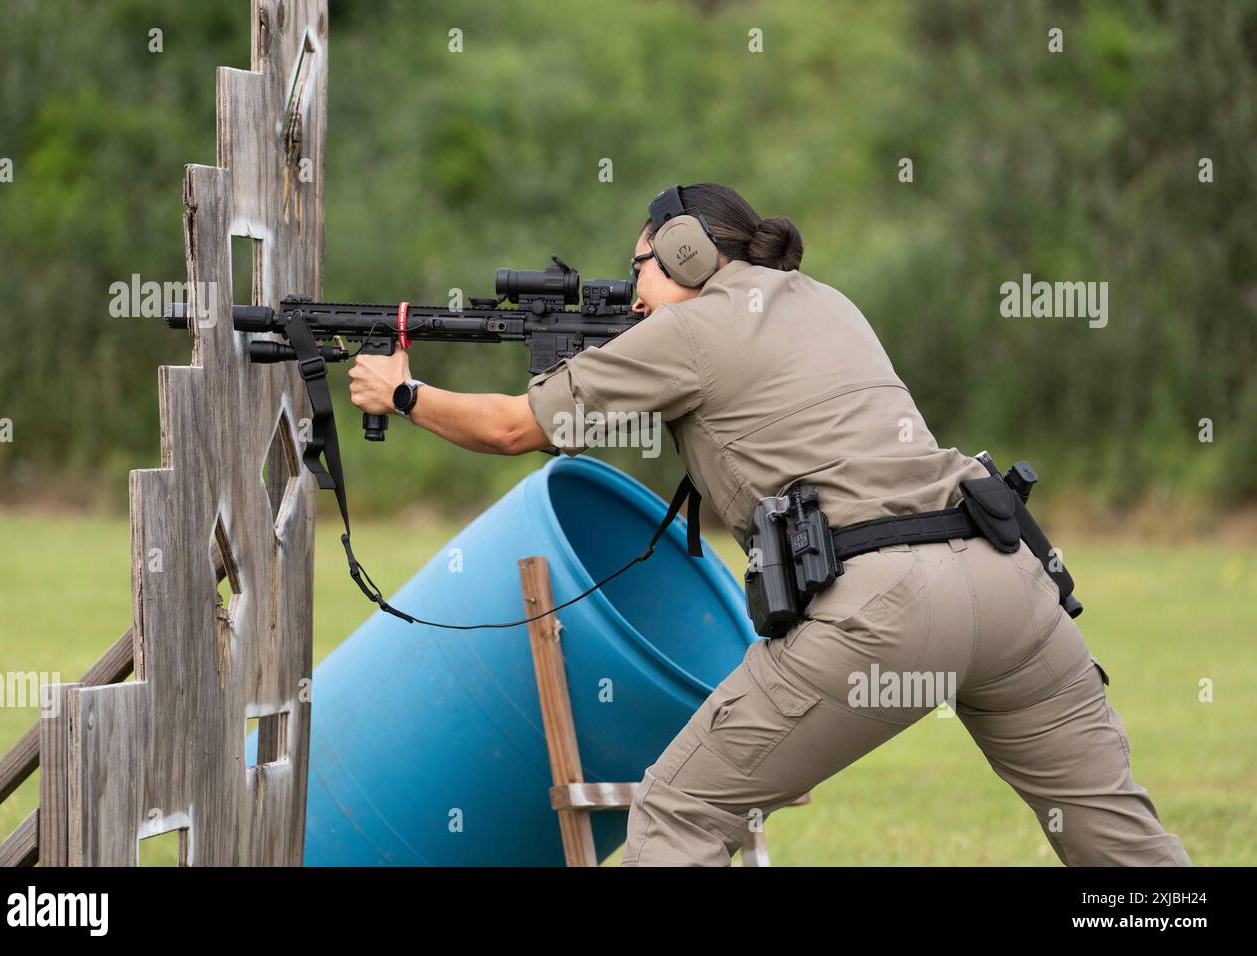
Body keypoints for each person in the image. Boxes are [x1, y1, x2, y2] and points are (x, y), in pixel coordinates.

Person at [347, 182, 1192, 867]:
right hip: (1008, 579)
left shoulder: (689, 330)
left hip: (886, 608)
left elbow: (507, 429)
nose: (632, 288)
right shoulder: (824, 300)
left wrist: (403, 394)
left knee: (679, 814)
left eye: (639, 265)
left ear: (685, 251)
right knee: (1119, 845)